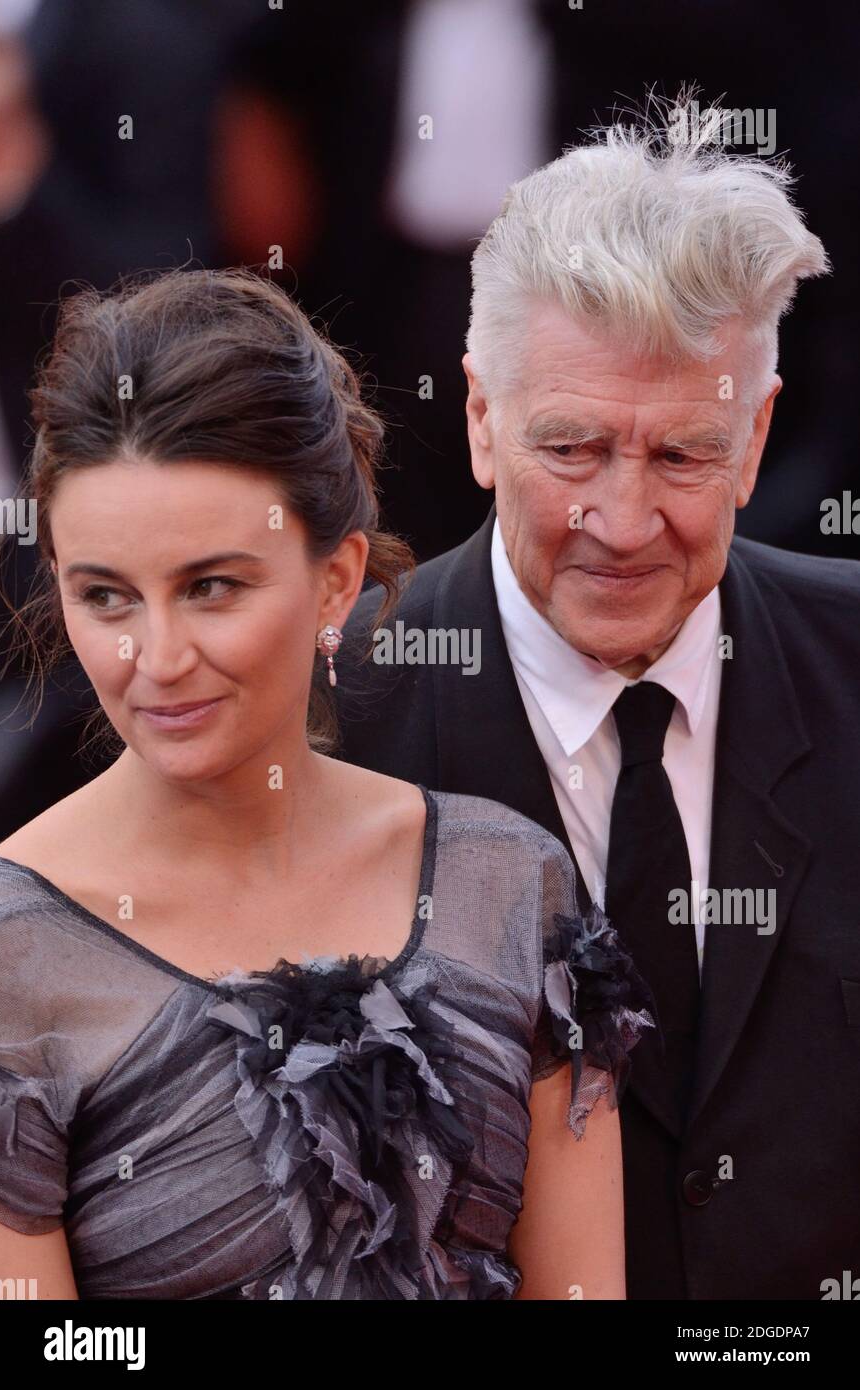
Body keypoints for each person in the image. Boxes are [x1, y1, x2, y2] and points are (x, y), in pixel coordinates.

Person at [0, 266, 653, 1300]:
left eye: (211, 587)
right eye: (107, 596)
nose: (156, 656)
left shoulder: (508, 887)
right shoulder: (11, 953)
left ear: (336, 579)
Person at [333, 98, 860, 1300]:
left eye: (682, 456)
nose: (622, 526)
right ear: (478, 418)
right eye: (569, 450)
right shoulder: (327, 717)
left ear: (757, 435)